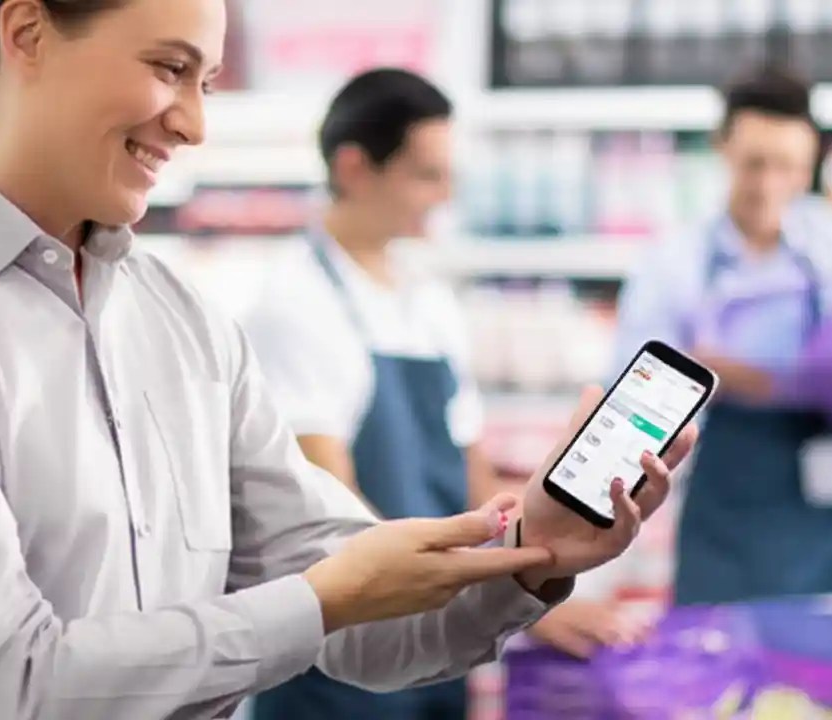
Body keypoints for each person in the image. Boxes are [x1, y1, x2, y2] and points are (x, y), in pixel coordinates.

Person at [0, 2, 695, 718]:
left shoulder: (184, 324)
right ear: (27, 33)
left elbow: (368, 624)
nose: (194, 124)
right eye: (169, 68)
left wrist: (533, 549)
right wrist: (315, 604)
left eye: (207, 80)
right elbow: (9, 688)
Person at [244, 69, 648, 720]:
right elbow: (329, 509)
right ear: (354, 168)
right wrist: (496, 598)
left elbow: (469, 473)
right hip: (346, 656)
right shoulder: (295, 304)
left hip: (435, 642)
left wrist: (524, 583)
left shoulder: (427, 300)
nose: (445, 195)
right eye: (426, 175)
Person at [613, 65, 832, 606]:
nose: (768, 186)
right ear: (722, 149)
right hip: (730, 514)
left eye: (787, 167)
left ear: (810, 164)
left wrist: (735, 374)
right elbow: (634, 392)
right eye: (754, 164)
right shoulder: (674, 265)